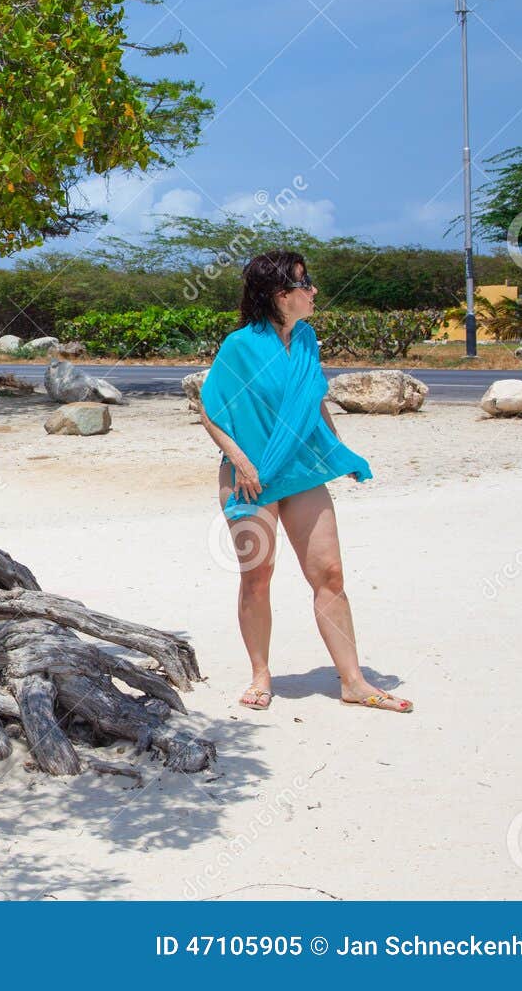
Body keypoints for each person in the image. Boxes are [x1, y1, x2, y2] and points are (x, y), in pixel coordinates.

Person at [197, 250, 413, 714]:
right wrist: (242, 462)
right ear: (281, 295)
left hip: (300, 470)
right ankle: (260, 674)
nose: (314, 291)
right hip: (250, 478)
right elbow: (209, 410)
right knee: (258, 576)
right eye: (305, 283)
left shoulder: (307, 339)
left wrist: (339, 452)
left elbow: (312, 402)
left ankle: (353, 681)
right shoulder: (239, 345)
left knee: (330, 574)